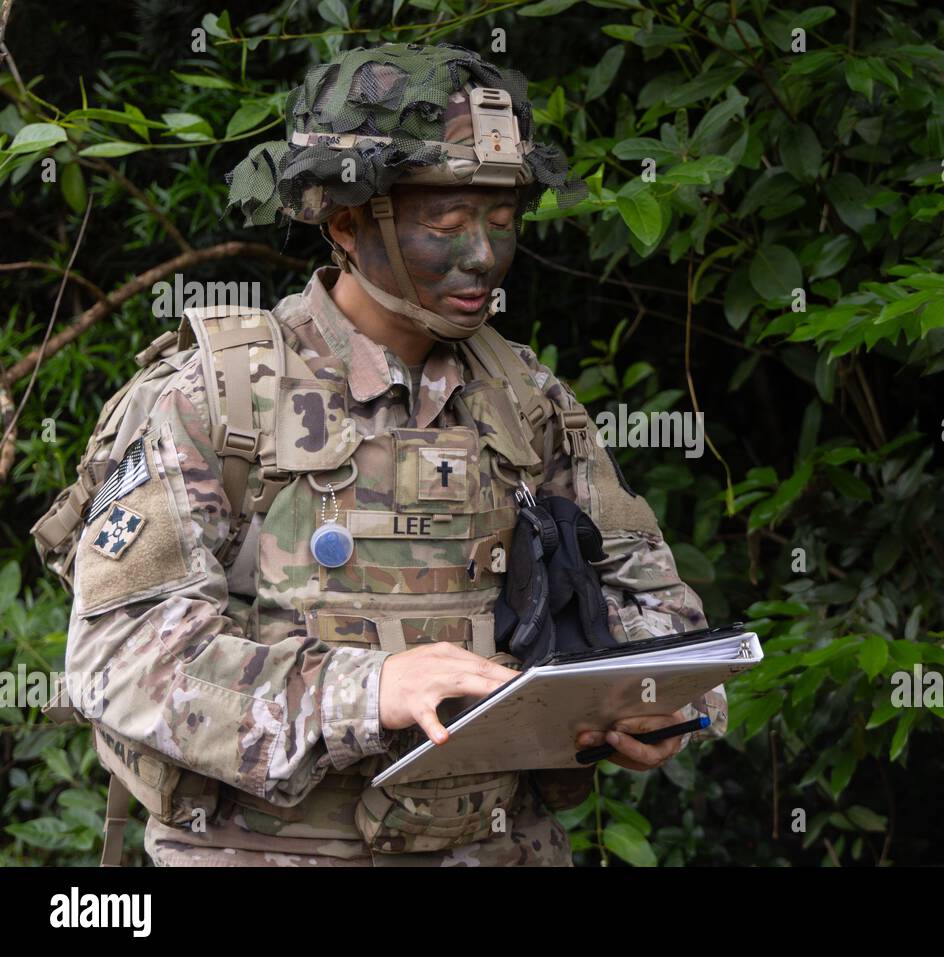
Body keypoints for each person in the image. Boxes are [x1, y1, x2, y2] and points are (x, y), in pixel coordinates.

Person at [56, 41, 726, 866]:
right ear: (345, 220)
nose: (483, 255)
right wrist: (367, 689)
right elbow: (117, 657)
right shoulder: (216, 397)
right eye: (446, 225)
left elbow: (659, 608)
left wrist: (644, 699)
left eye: (503, 222)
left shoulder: (528, 400)